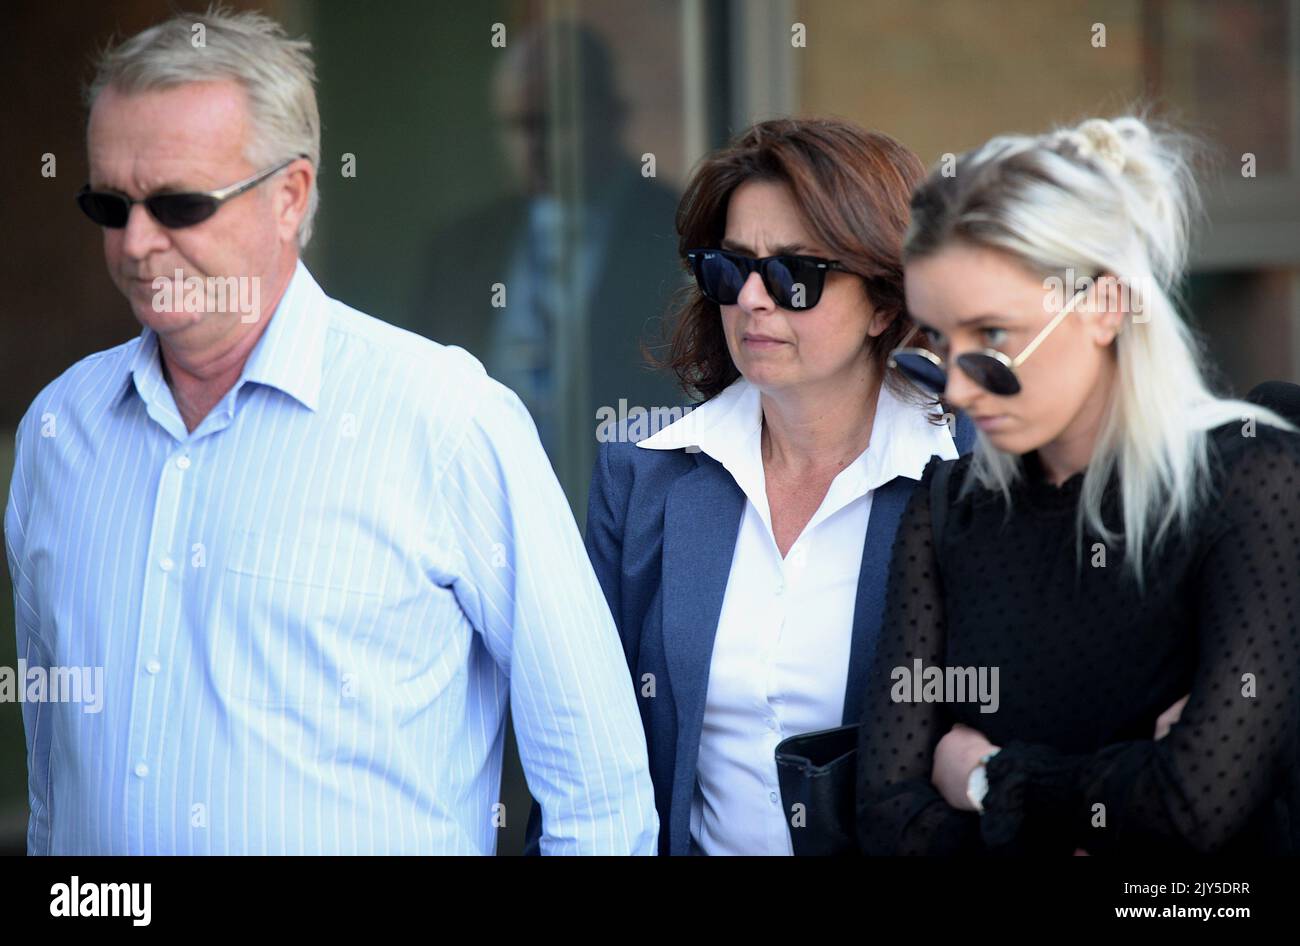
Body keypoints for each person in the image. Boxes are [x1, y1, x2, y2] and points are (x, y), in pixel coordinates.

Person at [2, 7, 656, 855]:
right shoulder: (60, 433)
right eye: (109, 204)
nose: (135, 244)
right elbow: (58, 782)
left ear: (291, 196)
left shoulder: (444, 421)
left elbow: (600, 801)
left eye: (178, 203)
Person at [525, 117, 976, 855]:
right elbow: (586, 760)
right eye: (731, 269)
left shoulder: (971, 477)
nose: (755, 300)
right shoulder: (642, 474)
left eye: (797, 273)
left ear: (888, 302)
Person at [856, 115, 1300, 855]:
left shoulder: (1253, 483)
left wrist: (992, 781)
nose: (959, 393)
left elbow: (1195, 807)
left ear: (1103, 304)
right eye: (936, 340)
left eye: (992, 337)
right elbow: (887, 817)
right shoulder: (948, 511)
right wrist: (1127, 783)